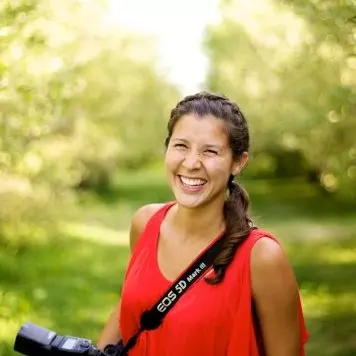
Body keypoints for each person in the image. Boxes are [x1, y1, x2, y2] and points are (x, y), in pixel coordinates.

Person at [97, 92, 309, 355]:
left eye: (210, 151)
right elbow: (129, 305)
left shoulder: (262, 257)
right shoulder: (145, 222)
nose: (191, 163)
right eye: (181, 146)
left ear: (238, 162)